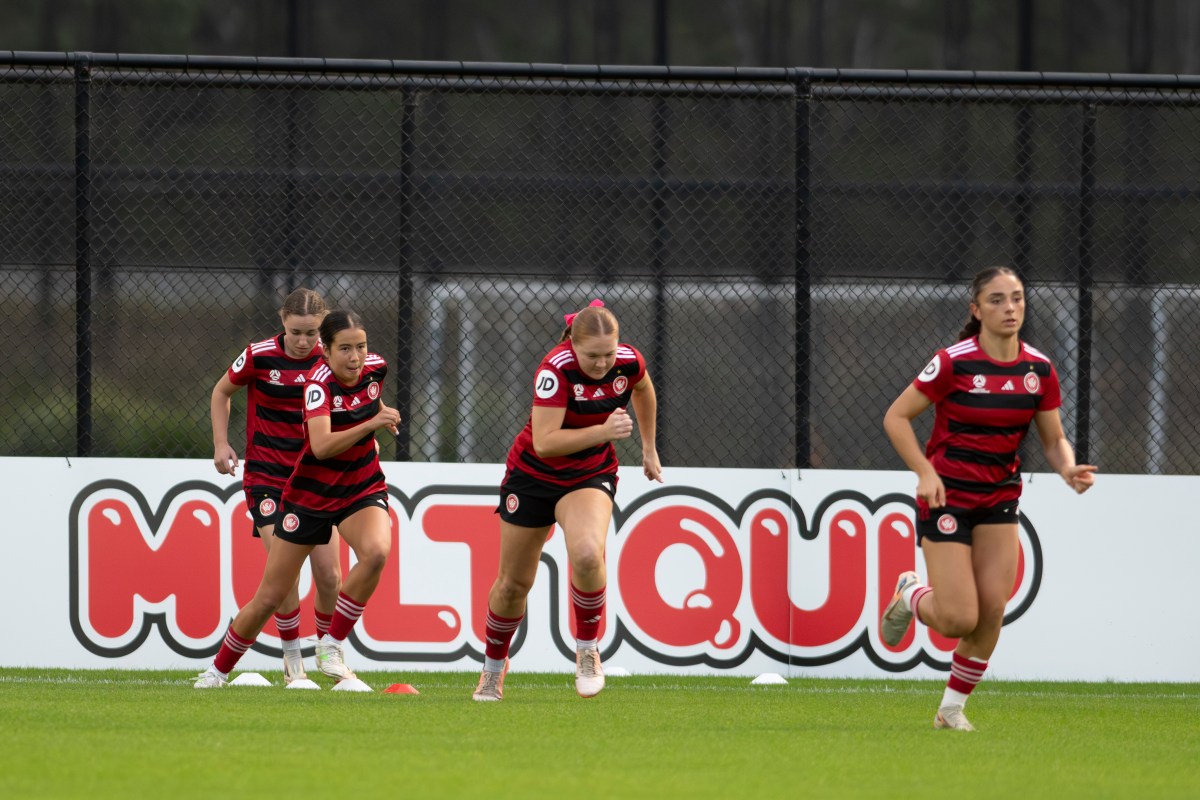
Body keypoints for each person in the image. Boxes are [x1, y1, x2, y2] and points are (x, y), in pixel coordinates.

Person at [880, 266, 1096, 730]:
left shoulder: (1038, 370)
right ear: (976, 311)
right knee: (958, 617)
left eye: (1016, 298)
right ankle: (910, 593)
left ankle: (951, 711)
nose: (1010, 308)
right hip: (947, 498)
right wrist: (924, 471)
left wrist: (1067, 467)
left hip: (999, 499)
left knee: (992, 610)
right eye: (996, 300)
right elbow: (896, 418)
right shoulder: (953, 362)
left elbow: (1054, 439)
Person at [196, 310, 402, 688]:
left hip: (361, 486)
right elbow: (321, 446)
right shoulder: (316, 385)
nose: (355, 357)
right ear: (327, 351)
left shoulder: (377, 368)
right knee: (272, 594)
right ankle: (216, 671)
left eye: (361, 346)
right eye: (345, 349)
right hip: (310, 494)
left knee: (374, 553)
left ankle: (330, 647)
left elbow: (367, 404)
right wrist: (372, 423)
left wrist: (374, 422)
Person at [472, 299, 663, 702]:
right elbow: (545, 443)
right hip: (532, 477)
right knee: (512, 586)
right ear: (574, 347)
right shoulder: (554, 370)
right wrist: (604, 430)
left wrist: (649, 447)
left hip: (589, 475)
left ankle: (588, 650)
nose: (602, 364)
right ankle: (493, 669)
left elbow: (643, 388)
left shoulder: (628, 361)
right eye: (592, 356)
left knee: (590, 554)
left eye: (609, 354)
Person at [210, 287, 347, 684]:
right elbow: (221, 392)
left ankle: (330, 660)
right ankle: (293, 665)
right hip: (268, 479)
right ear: (281, 321)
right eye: (296, 332)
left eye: (313, 333)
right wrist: (221, 442)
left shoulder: (332, 360)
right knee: (283, 572)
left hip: (318, 481)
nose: (304, 342)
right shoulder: (259, 355)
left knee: (330, 576)